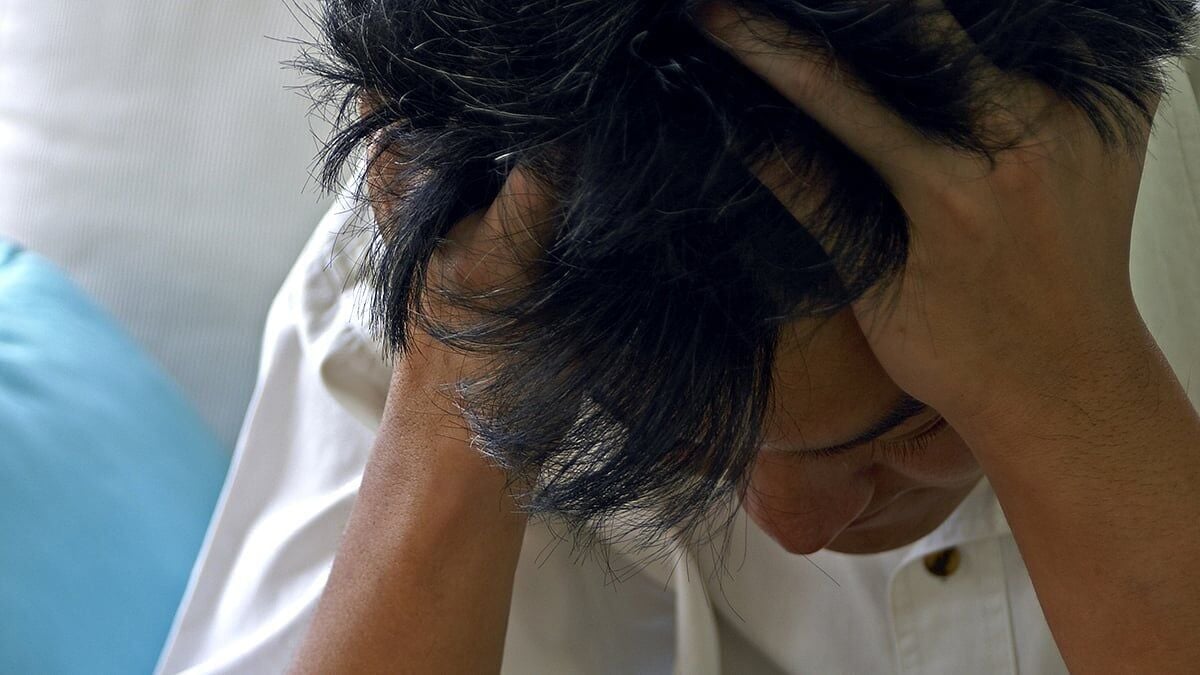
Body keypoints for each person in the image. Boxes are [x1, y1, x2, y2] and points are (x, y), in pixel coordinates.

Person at [158, 1, 1200, 672]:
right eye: (682, 439)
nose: (791, 526)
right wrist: (449, 427)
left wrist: (1085, 403)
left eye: (909, 427)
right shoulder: (467, 261)